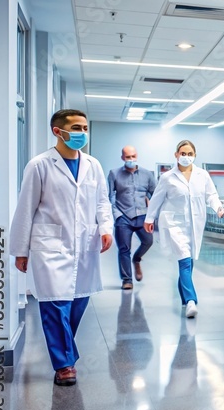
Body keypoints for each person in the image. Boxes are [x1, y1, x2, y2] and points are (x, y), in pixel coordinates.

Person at [11, 109, 114, 386]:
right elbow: (25, 208)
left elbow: (102, 201)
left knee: (79, 301)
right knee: (55, 304)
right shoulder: (39, 165)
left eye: (85, 128)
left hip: (85, 243)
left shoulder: (93, 165)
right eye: (76, 128)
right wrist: (21, 250)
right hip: (49, 244)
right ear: (58, 131)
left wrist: (106, 227)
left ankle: (65, 351)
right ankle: (64, 365)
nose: (82, 133)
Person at [143, 140, 224, 319]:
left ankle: (183, 296)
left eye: (190, 154)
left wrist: (218, 207)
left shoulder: (202, 175)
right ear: (176, 155)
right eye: (183, 153)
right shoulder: (167, 177)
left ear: (194, 155)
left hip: (195, 224)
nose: (186, 157)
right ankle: (191, 301)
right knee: (185, 261)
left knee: (189, 261)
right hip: (174, 224)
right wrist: (149, 218)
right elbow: (156, 199)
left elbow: (211, 195)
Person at [108, 145, 157, 290]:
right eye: (128, 157)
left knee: (148, 241)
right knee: (124, 249)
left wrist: (151, 215)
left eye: (133, 156)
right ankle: (127, 280)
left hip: (142, 215)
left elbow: (155, 195)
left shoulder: (147, 174)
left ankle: (137, 259)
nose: (131, 159)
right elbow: (110, 195)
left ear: (137, 156)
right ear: (122, 158)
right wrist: (117, 215)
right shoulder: (114, 174)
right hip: (123, 216)